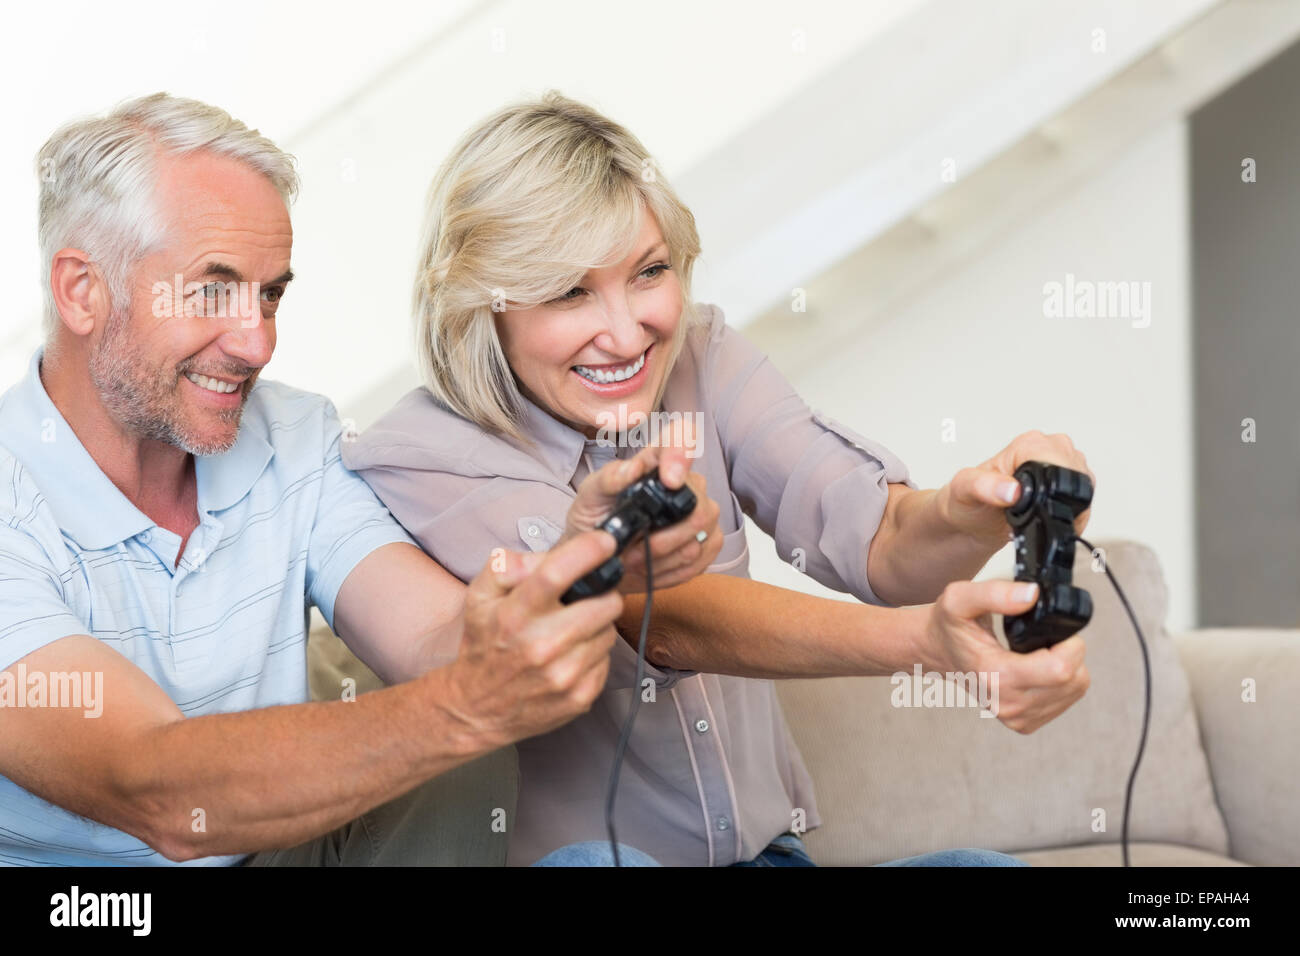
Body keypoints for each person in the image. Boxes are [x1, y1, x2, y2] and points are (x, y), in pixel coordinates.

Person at [343, 91, 1096, 867]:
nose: (629, 330)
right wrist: (924, 644)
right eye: (569, 290)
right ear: (480, 305)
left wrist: (976, 509)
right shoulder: (420, 452)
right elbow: (662, 616)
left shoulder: (703, 356)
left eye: (650, 272)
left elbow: (872, 535)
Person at [0, 92, 717, 866]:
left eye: (271, 294)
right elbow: (161, 792)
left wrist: (577, 564)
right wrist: (460, 705)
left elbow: (439, 641)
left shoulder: (292, 435)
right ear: (81, 291)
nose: (257, 342)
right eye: (213, 290)